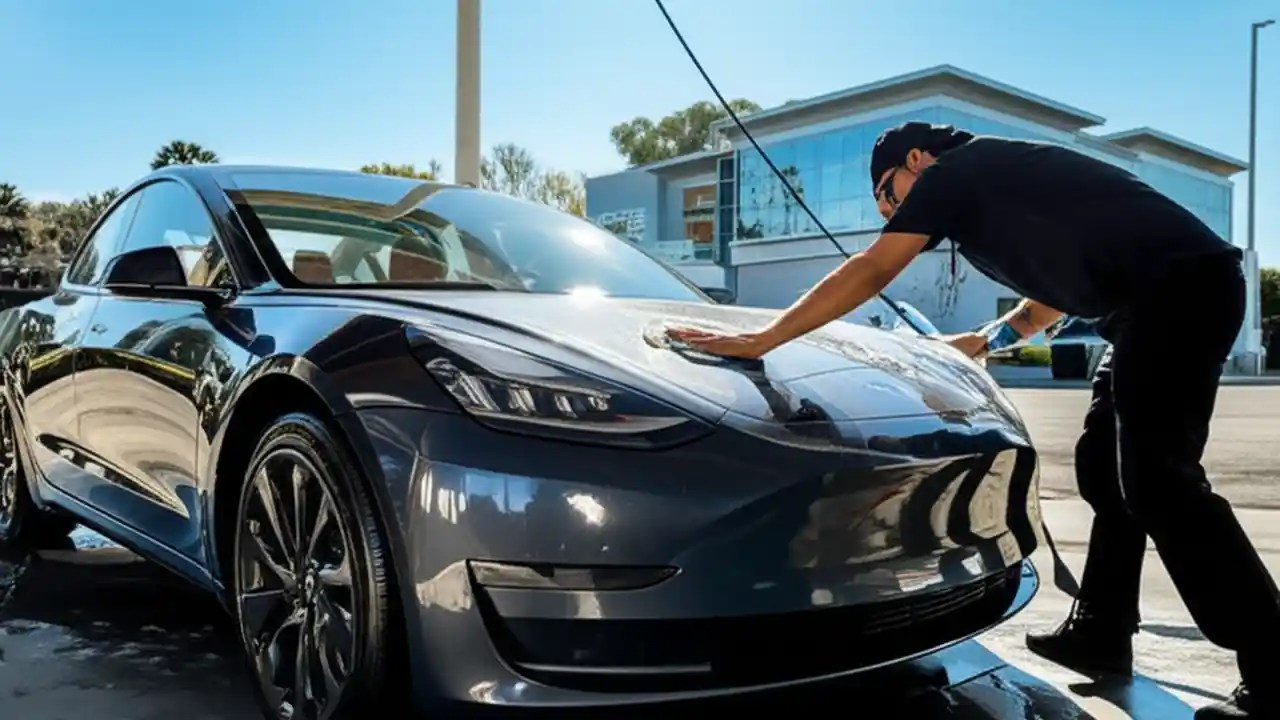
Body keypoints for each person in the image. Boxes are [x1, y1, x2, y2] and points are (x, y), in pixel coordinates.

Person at [668, 121, 1280, 719]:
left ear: (912, 162)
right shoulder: (996, 187)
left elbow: (875, 267)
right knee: (1103, 471)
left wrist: (764, 339)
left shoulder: (955, 170)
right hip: (1142, 308)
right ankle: (1101, 629)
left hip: (1179, 291)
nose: (888, 213)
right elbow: (1045, 303)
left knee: (1160, 483)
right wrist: (986, 341)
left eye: (885, 195)